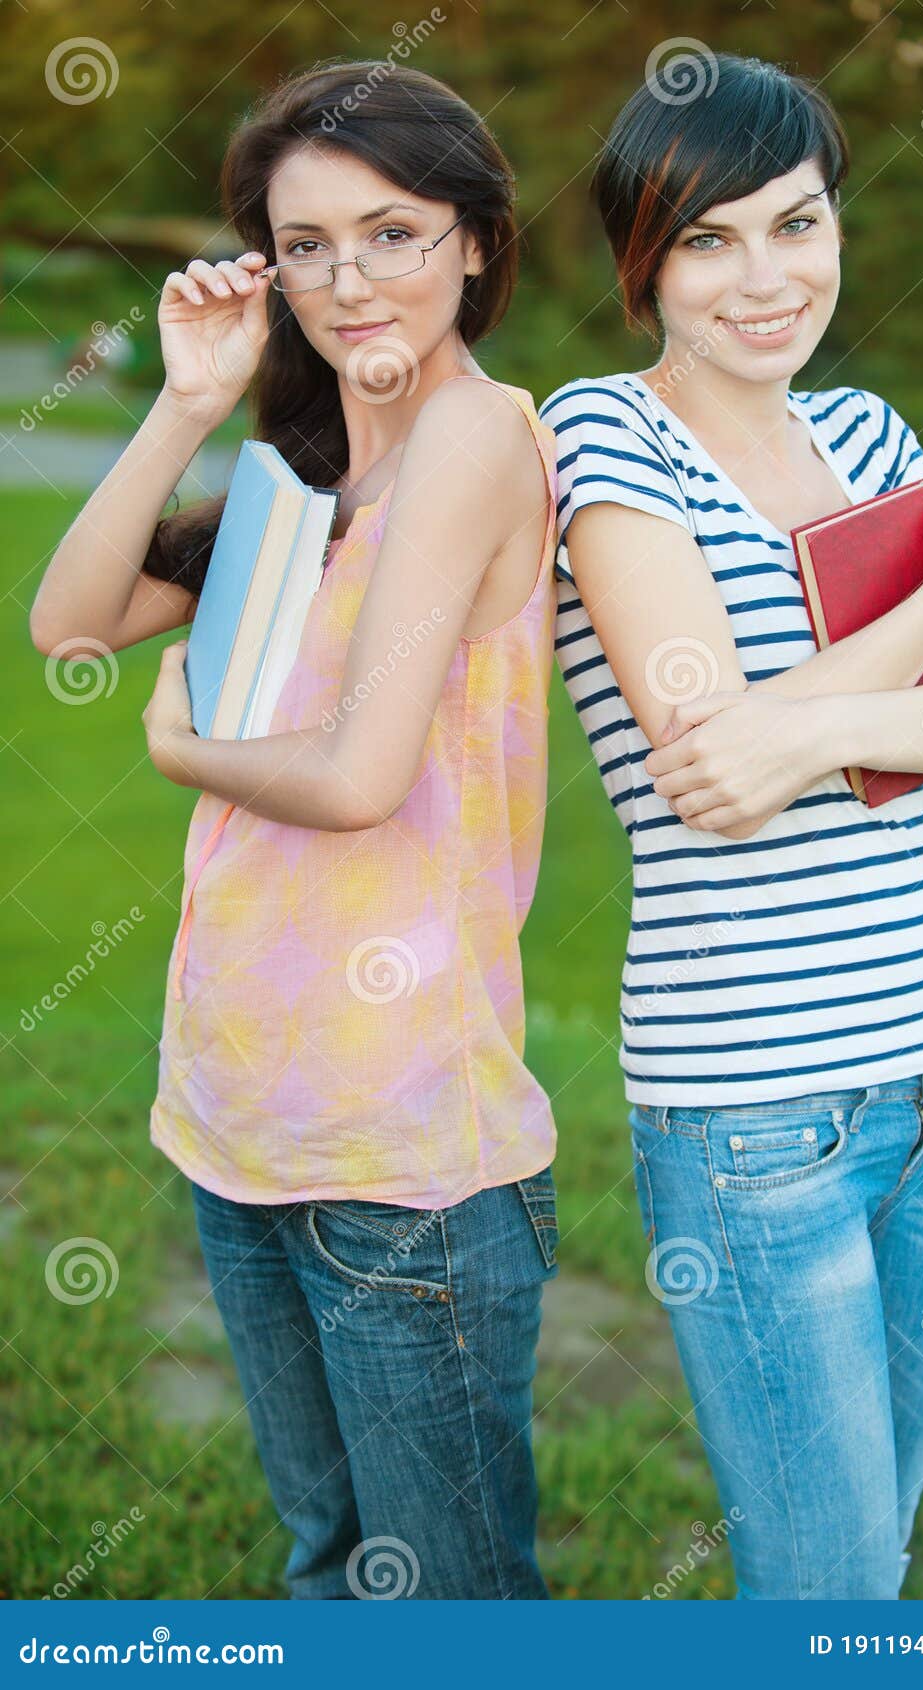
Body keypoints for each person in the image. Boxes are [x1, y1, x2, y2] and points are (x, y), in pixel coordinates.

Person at [30, 62, 561, 1601]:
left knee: (448, 1596)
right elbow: (69, 619)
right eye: (306, 243)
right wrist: (190, 399)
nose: (348, 280)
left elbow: (356, 775)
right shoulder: (303, 473)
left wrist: (184, 744)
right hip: (238, 1106)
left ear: (473, 240)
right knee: (334, 1563)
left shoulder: (475, 438)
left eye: (391, 234)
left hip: (403, 1146)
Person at [538, 51, 923, 1599]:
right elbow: (711, 767)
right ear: (642, 259)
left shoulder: (868, 436)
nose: (763, 278)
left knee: (865, 1572)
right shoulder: (603, 439)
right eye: (707, 239)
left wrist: (813, 724)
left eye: (797, 224)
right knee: (824, 1596)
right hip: (754, 1107)